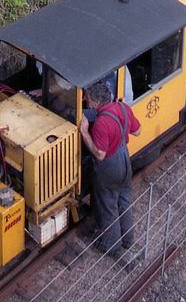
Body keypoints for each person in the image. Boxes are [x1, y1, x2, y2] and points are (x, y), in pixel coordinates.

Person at [79, 78, 141, 257]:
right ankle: (128, 240)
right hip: (124, 160)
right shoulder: (123, 108)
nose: (86, 101)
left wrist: (84, 133)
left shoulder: (100, 124)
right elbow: (137, 131)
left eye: (88, 99)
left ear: (96, 103)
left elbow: (99, 154)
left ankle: (112, 247)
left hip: (109, 168)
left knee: (108, 205)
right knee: (124, 200)